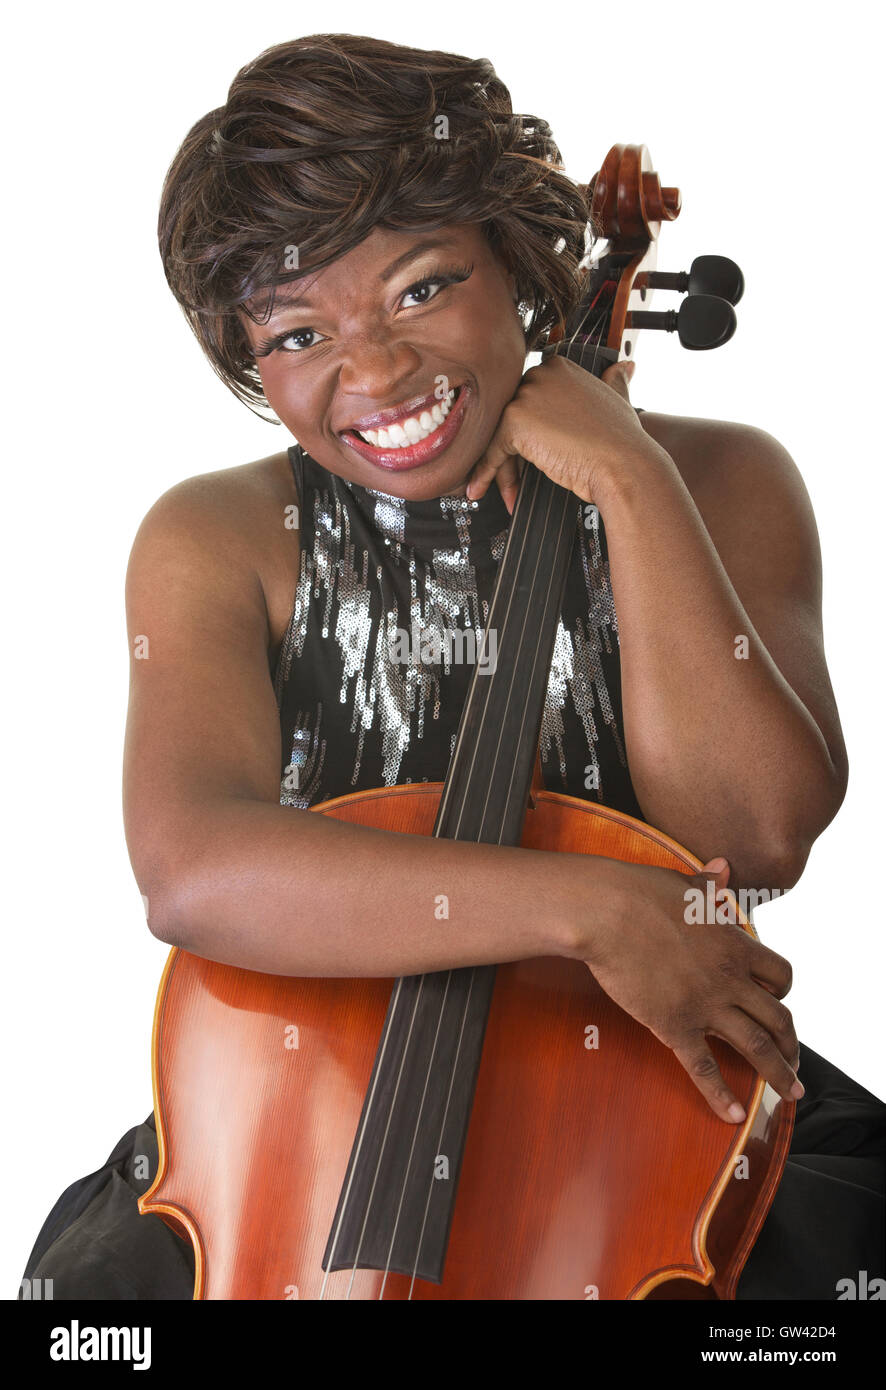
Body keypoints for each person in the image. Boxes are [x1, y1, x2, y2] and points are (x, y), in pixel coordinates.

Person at [20, 32, 884, 1301]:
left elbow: (754, 837)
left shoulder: (721, 481)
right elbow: (193, 869)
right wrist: (588, 908)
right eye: (298, 333)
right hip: (293, 1129)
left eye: (423, 289)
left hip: (658, 1124)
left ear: (522, 269)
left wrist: (630, 478)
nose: (371, 373)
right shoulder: (218, 537)